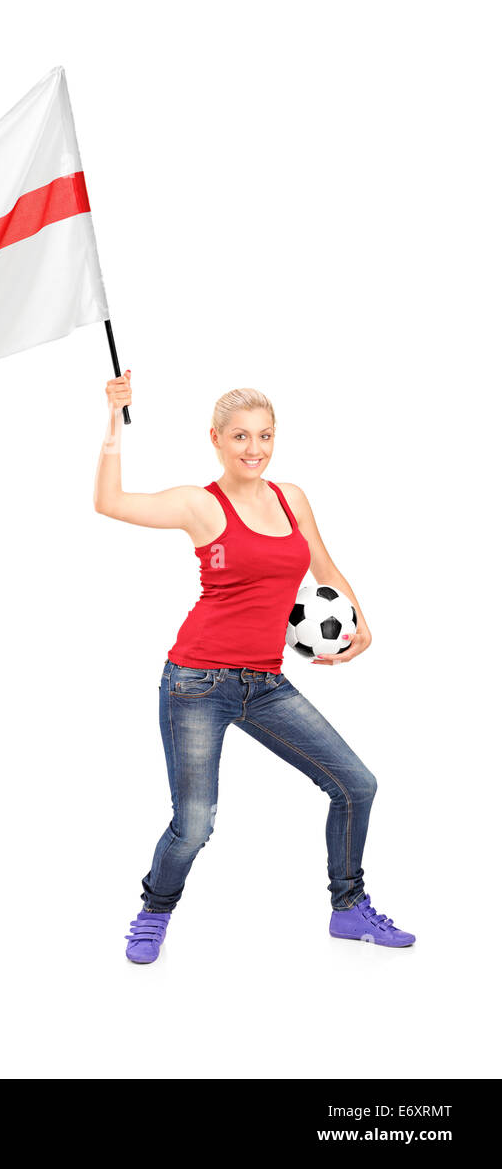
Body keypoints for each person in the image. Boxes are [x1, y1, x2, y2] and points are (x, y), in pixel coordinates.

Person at [93, 373, 415, 963]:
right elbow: (109, 503)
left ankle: (348, 909)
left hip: (266, 683)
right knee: (194, 825)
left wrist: (359, 621)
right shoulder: (200, 504)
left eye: (265, 436)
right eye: (240, 437)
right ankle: (153, 913)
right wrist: (114, 419)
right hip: (196, 682)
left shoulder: (291, 498)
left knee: (355, 784)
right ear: (215, 439)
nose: (254, 449)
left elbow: (324, 566)